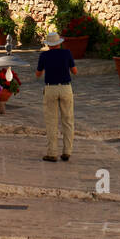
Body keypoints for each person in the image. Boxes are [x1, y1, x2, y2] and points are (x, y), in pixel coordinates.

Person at [36, 31, 77, 163]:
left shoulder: (44, 55)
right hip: (65, 88)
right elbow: (74, 71)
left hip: (50, 88)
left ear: (48, 44)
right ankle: (67, 151)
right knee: (68, 120)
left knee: (51, 121)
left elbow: (38, 73)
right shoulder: (67, 53)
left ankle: (52, 153)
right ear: (59, 43)